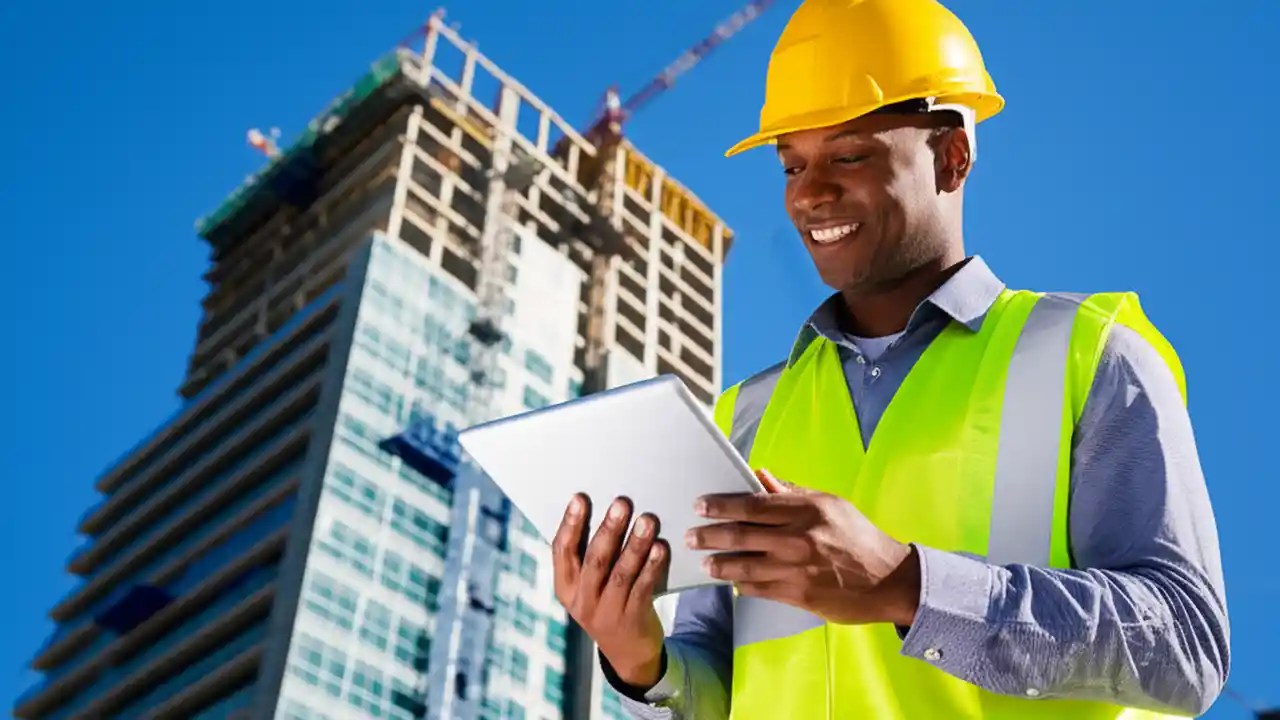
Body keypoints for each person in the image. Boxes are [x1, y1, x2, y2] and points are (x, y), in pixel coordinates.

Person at [548, 0, 1230, 717]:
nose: (810, 193)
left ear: (952, 156)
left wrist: (908, 586)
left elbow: (1185, 645)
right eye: (792, 165)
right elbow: (714, 695)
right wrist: (638, 660)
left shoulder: (1087, 355)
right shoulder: (745, 415)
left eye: (849, 155)